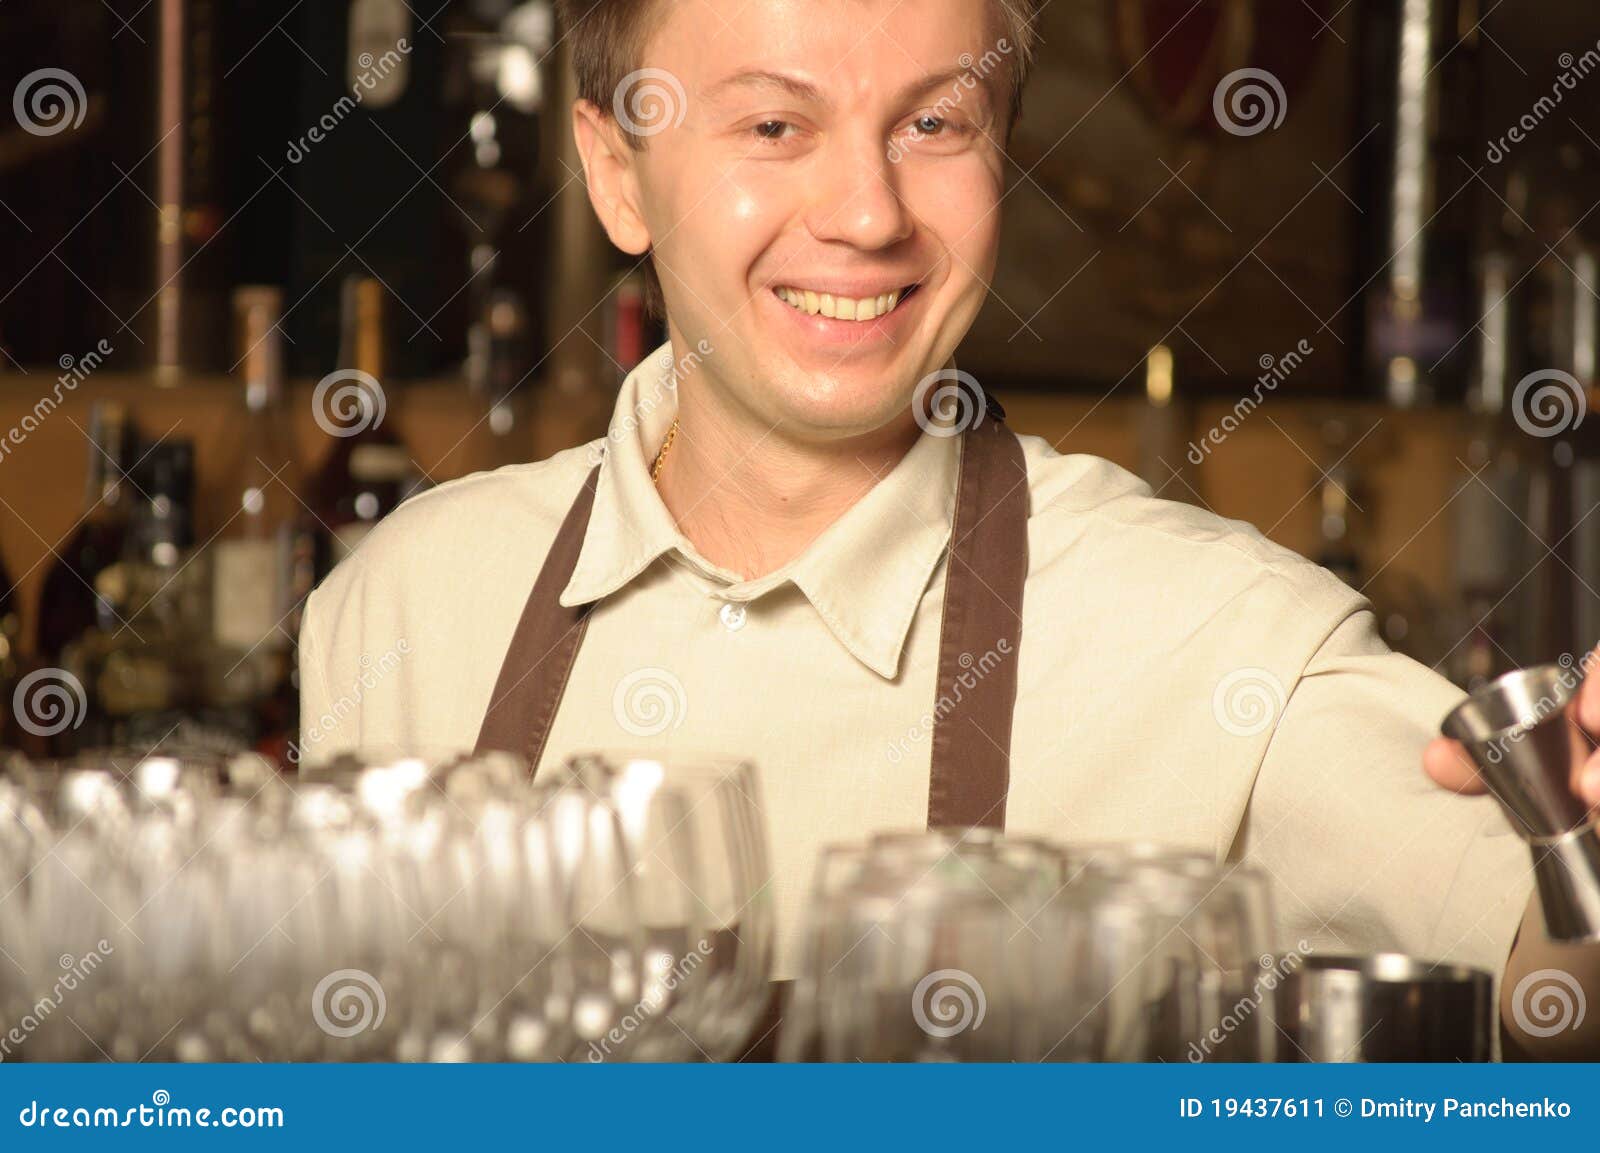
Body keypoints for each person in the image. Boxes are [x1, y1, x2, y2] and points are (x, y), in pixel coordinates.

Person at [298, 0, 1597, 1058]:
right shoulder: (405, 604)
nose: (865, 213)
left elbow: (1558, 972)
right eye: (772, 122)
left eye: (933, 121)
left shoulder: (1225, 639)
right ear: (616, 171)